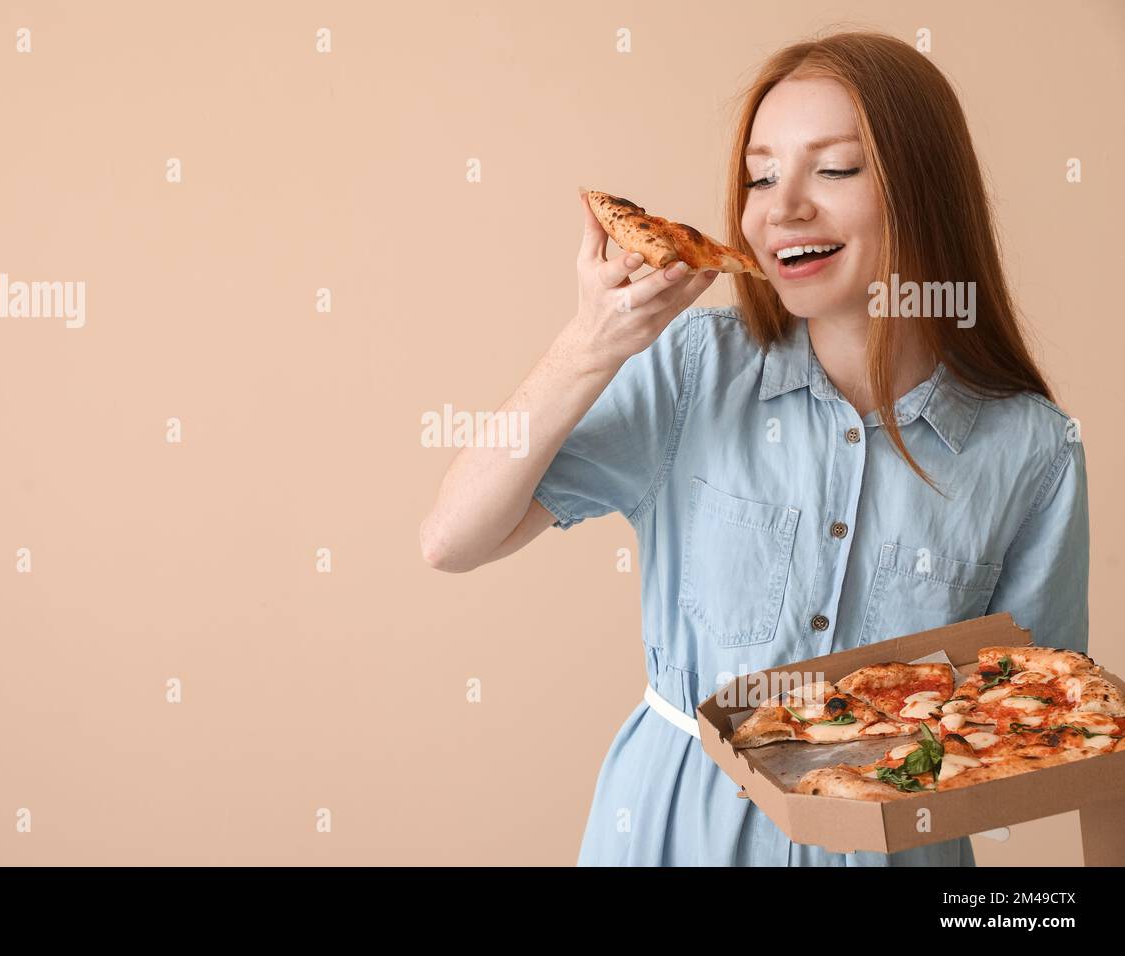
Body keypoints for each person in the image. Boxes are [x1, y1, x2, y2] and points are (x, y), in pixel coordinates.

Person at [418, 30, 1089, 866]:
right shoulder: (691, 367)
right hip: (671, 833)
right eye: (760, 176)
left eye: (834, 170)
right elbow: (454, 538)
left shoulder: (1033, 446)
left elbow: (1045, 712)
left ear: (924, 190)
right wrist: (590, 344)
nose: (783, 208)